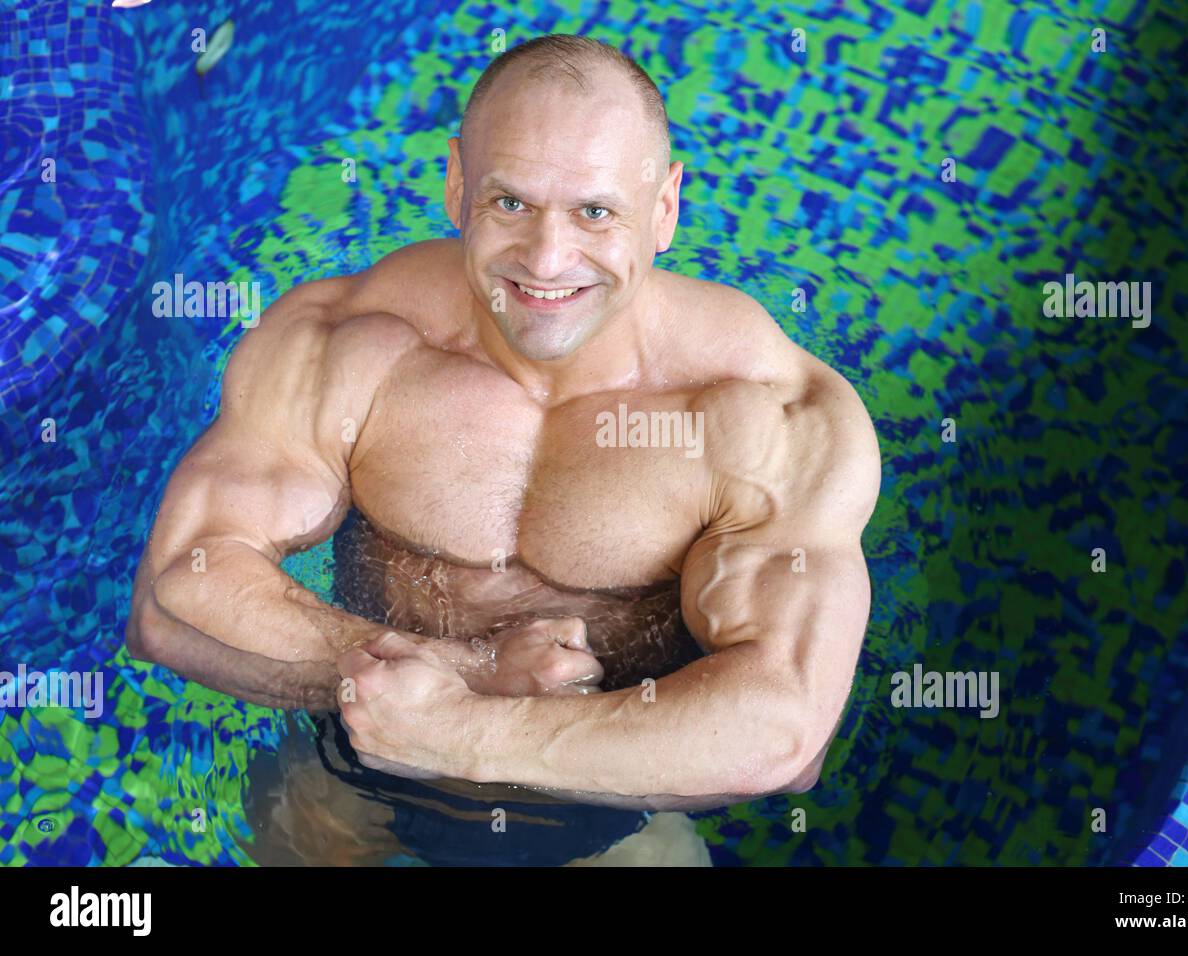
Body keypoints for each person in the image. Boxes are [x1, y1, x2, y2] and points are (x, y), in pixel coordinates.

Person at [127, 34, 880, 862]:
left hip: (607, 807)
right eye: (511, 204)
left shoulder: (766, 415)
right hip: (354, 760)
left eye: (595, 212)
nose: (548, 261)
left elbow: (783, 732)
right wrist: (466, 666)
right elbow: (172, 600)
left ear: (665, 209)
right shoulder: (354, 343)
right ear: (455, 185)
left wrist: (464, 731)